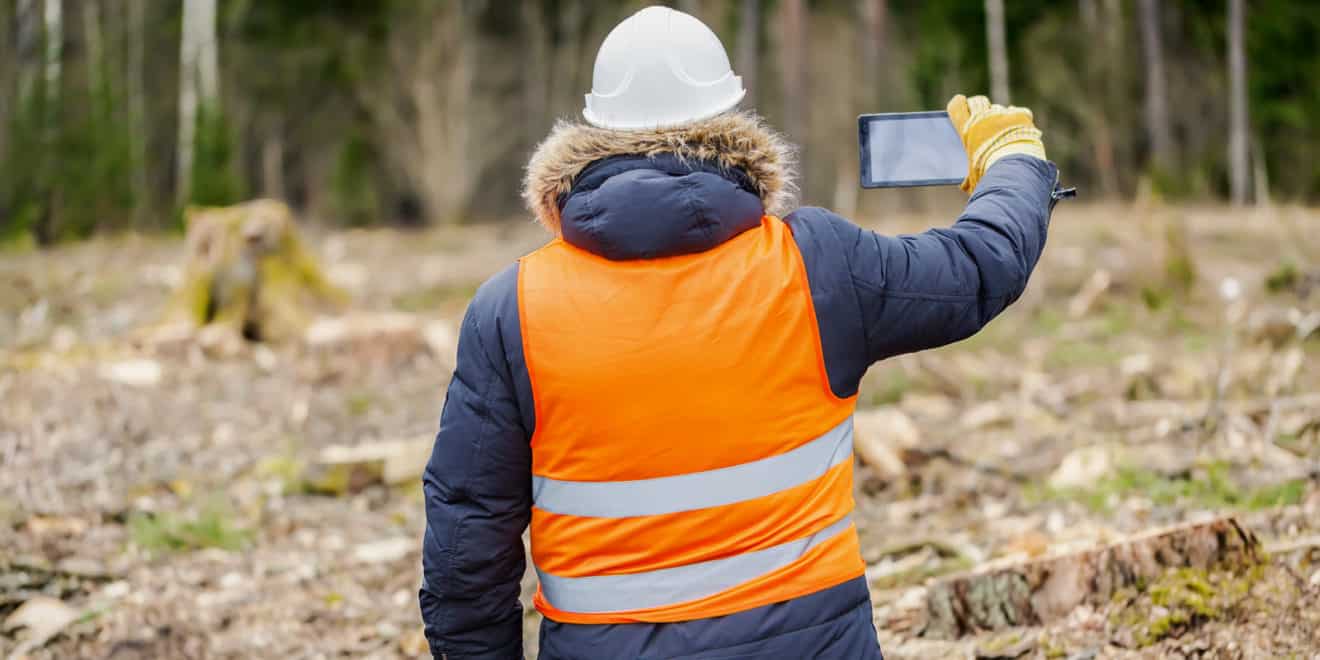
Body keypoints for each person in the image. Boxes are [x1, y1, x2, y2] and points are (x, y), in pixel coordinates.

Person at [419, 6, 1058, 659]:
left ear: (591, 136)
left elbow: (467, 543)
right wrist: (1015, 162)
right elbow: (981, 266)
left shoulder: (514, 308)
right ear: (731, 122)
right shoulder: (818, 267)